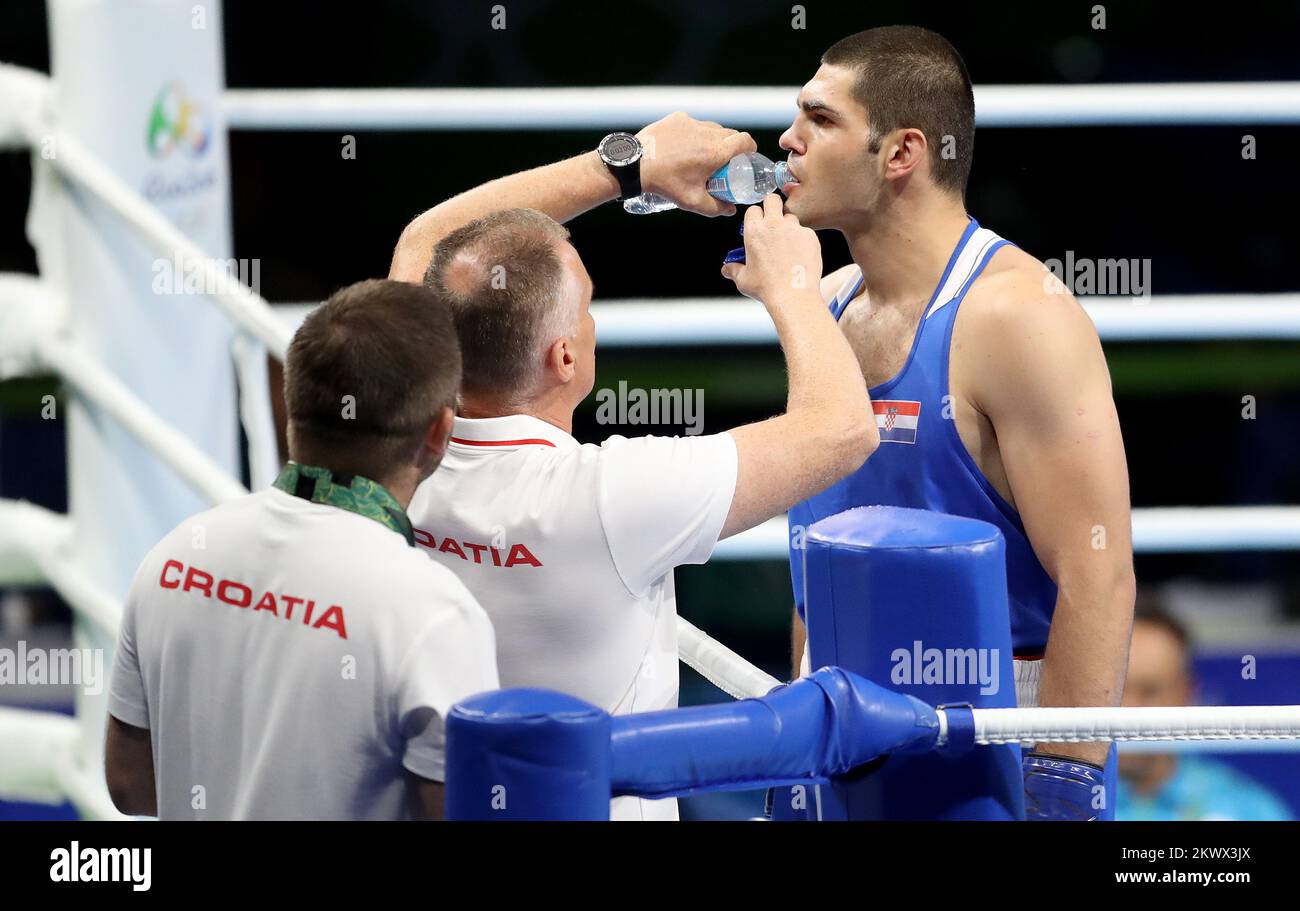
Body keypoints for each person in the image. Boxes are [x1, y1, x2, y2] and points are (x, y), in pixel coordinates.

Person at [389, 114, 879, 820]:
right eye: (586, 308)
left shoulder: (398, 451)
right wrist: (794, 288)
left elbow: (426, 243)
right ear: (564, 358)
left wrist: (626, 166)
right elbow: (842, 430)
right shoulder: (611, 497)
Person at [778, 26, 1135, 818]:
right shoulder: (823, 306)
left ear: (901, 152)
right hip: (839, 732)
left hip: (989, 739)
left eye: (820, 119)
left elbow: (1096, 569)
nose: (786, 139)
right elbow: (818, 545)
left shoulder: (1016, 315)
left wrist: (1065, 777)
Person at [104, 279, 498, 820]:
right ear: (439, 433)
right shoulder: (434, 612)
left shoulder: (172, 559)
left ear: (292, 406)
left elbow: (129, 786)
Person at [1117, 603, 1292, 821]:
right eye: (1117, 690)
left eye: (1150, 691)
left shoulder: (1249, 809)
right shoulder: (1066, 805)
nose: (1129, 709)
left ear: (1186, 694)